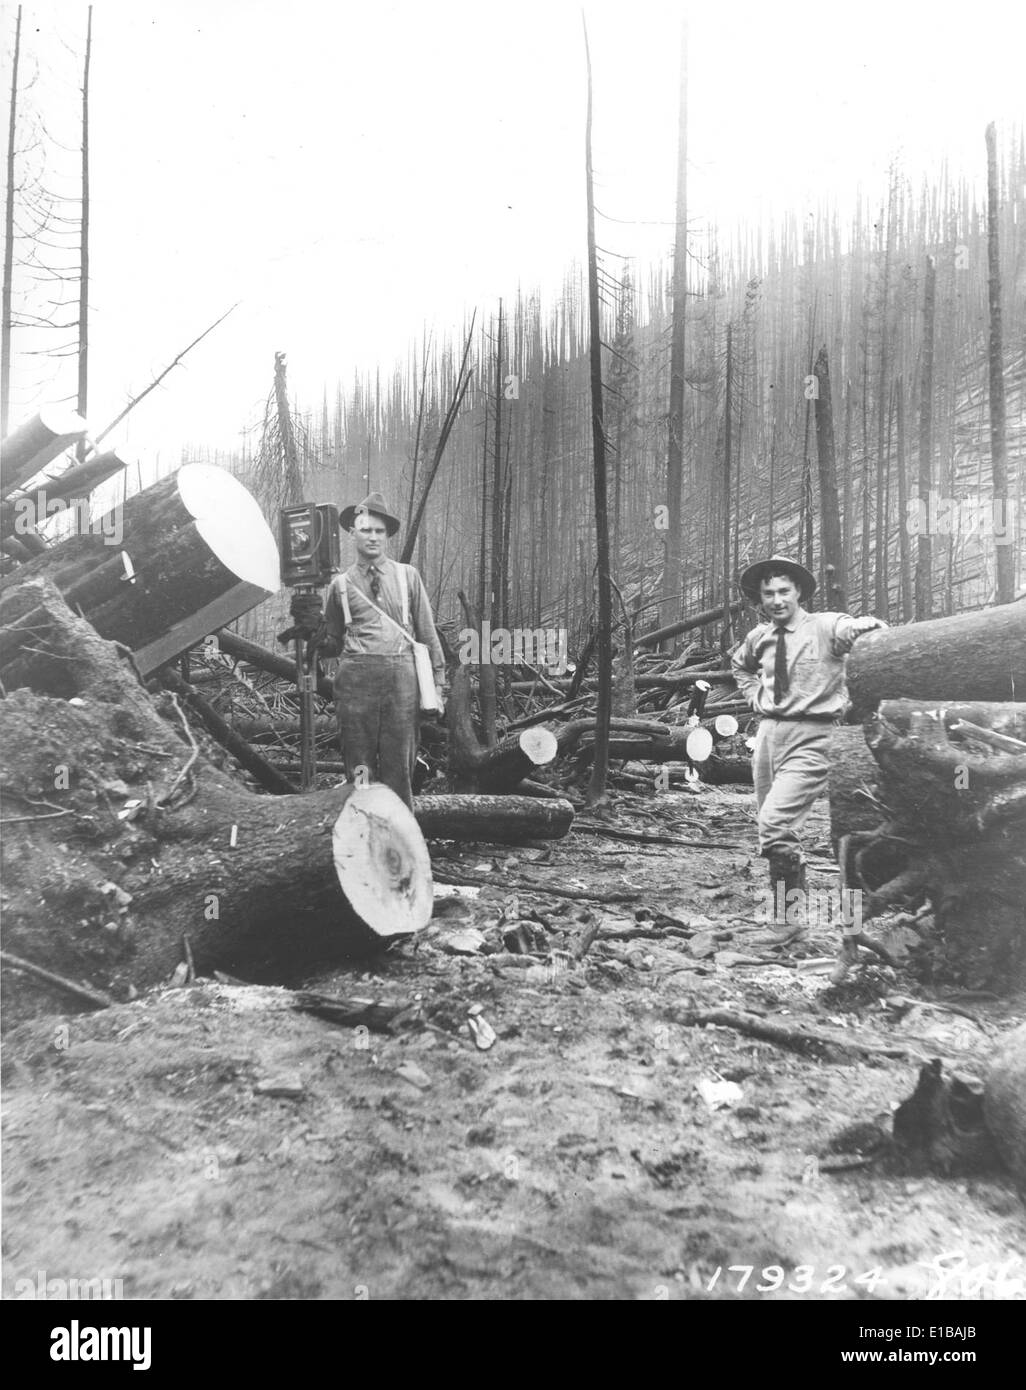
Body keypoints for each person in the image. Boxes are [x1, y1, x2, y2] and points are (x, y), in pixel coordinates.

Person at [730, 554, 887, 936]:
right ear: (760, 598)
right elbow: (740, 665)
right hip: (768, 735)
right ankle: (787, 919)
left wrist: (867, 627)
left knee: (776, 823)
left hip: (815, 734)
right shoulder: (760, 636)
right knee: (770, 828)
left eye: (784, 591)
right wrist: (753, 696)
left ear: (799, 591)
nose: (777, 599)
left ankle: (788, 923)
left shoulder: (826, 626)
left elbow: (859, 630)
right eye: (768, 593)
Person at [315, 492, 446, 809]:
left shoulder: (407, 576)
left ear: (386, 535)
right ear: (352, 533)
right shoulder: (340, 585)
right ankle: (360, 835)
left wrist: (438, 685)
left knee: (399, 767)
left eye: (378, 531)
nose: (372, 537)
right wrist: (312, 630)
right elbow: (332, 644)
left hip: (401, 685)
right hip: (355, 687)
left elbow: (427, 633)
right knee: (359, 768)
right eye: (365, 530)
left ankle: (400, 845)